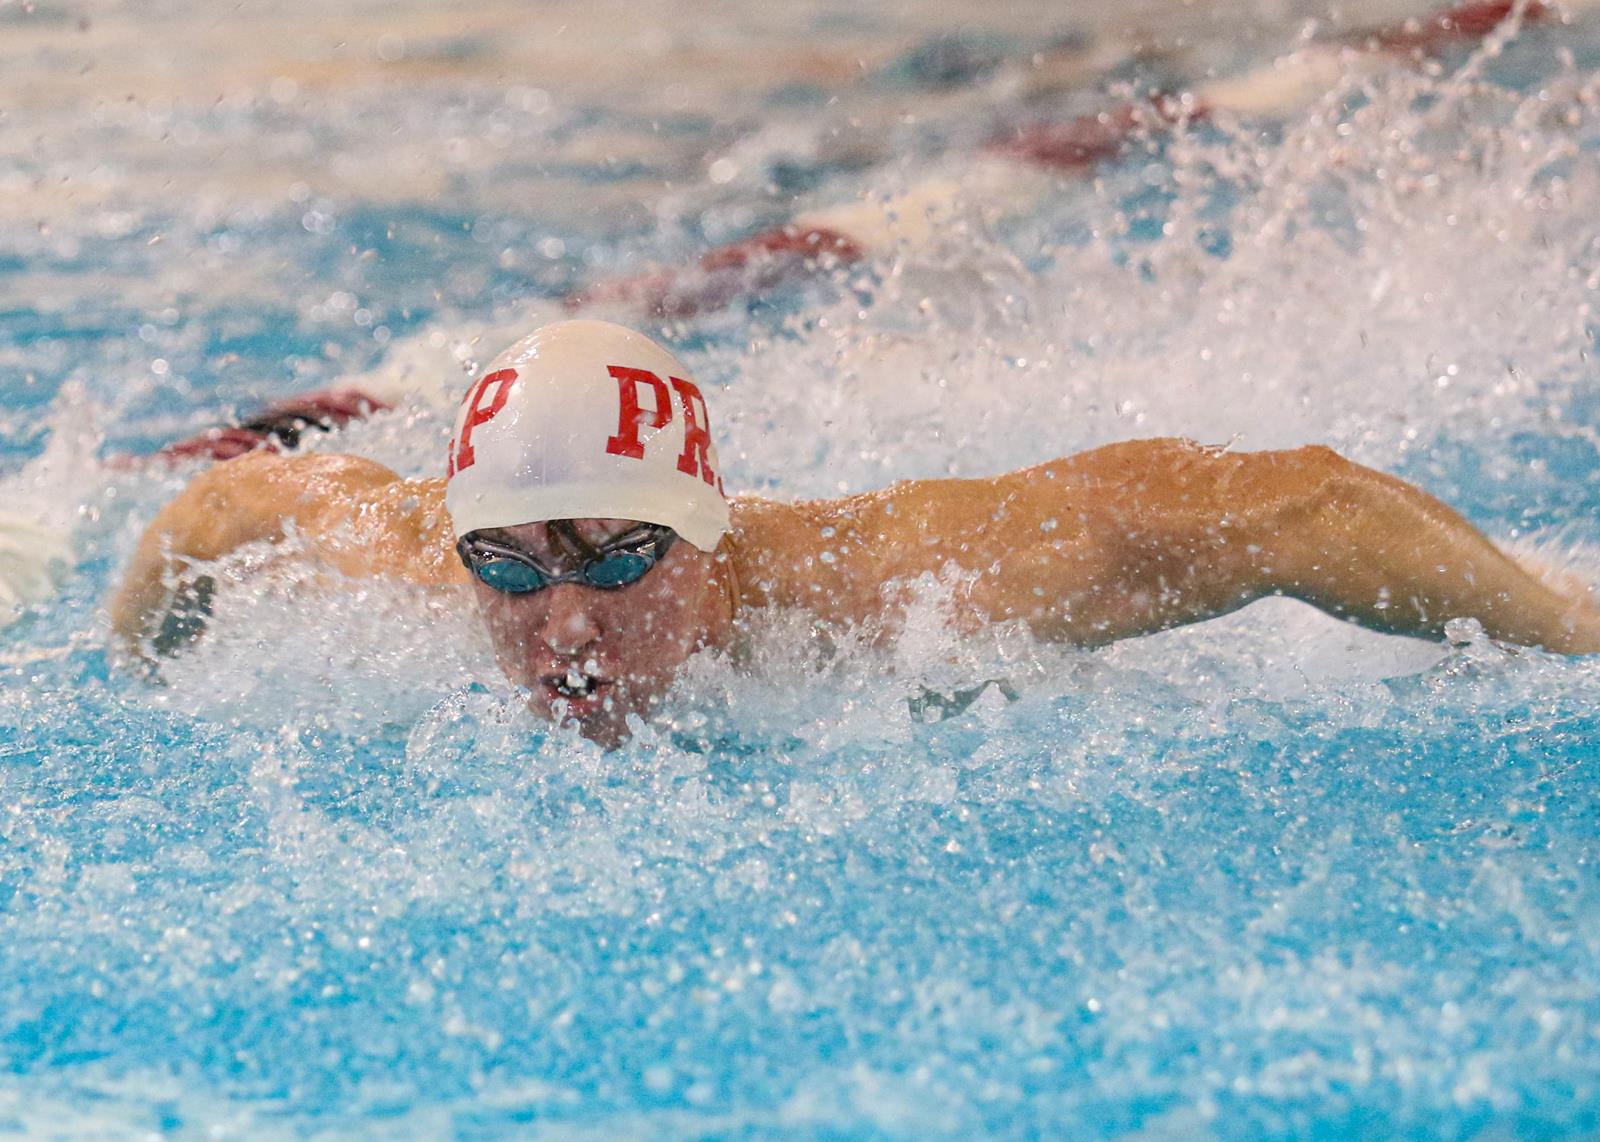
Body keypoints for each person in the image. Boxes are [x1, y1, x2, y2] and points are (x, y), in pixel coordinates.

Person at [113, 319, 1600, 747]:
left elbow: (1302, 501)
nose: (564, 623)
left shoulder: (886, 587)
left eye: (625, 557)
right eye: (511, 564)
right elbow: (234, 498)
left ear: (706, 536)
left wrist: (1570, 629)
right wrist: (133, 667)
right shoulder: (409, 551)